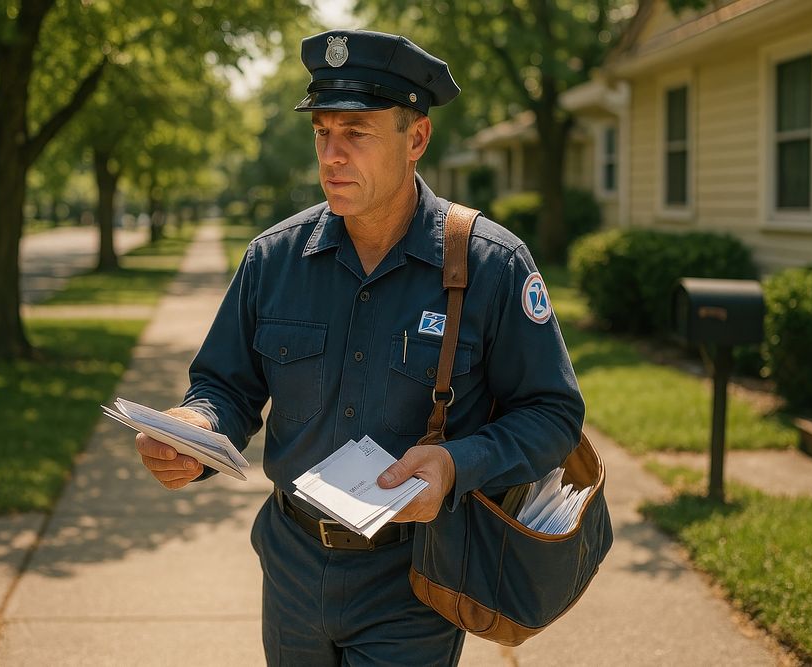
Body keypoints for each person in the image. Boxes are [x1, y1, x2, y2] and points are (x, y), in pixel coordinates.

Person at [134, 29, 585, 666]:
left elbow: (553, 414)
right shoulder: (275, 260)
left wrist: (458, 464)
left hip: (415, 575)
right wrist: (194, 427)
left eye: (357, 132)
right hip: (292, 566)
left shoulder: (490, 264)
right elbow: (226, 388)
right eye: (322, 133)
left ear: (417, 138)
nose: (332, 156)